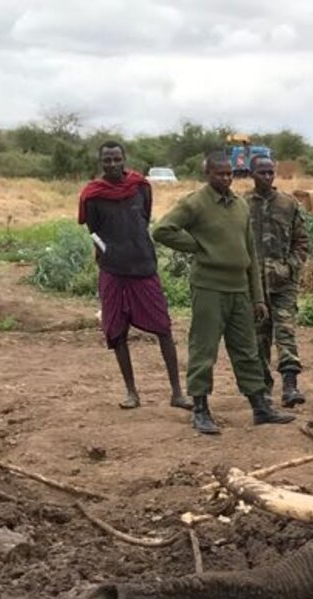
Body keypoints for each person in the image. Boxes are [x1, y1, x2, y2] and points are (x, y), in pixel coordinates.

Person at [153, 152, 293, 435]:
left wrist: (257, 297)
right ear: (208, 174)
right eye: (220, 174)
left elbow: (251, 253)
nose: (226, 178)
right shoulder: (195, 203)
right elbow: (163, 230)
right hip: (209, 288)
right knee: (204, 349)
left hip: (239, 289)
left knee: (247, 350)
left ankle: (260, 406)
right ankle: (201, 409)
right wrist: (197, 246)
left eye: (230, 173)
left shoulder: (240, 206)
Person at [78, 141, 186, 411]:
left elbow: (145, 219)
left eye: (116, 159)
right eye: (107, 160)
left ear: (124, 159)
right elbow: (94, 232)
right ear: (100, 162)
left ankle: (177, 393)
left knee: (163, 328)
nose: (112, 164)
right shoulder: (93, 195)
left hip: (143, 267)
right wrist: (110, 253)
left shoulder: (140, 187)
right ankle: (131, 392)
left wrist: (134, 246)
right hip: (113, 271)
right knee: (117, 331)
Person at [248, 156, 309, 407]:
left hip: (284, 283)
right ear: (252, 174)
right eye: (261, 172)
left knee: (286, 332)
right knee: (258, 338)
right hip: (254, 284)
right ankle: (262, 389)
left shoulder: (288, 204)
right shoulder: (242, 206)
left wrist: (290, 267)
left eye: (270, 172)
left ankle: (290, 387)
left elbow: (302, 242)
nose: (267, 177)